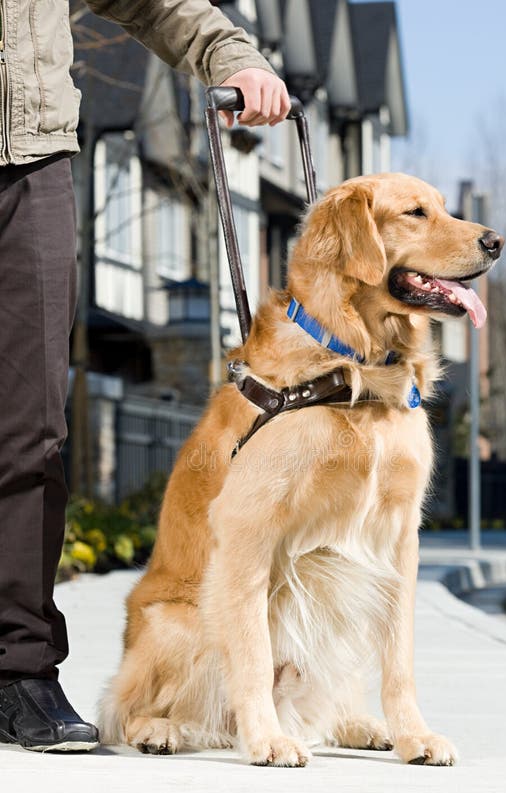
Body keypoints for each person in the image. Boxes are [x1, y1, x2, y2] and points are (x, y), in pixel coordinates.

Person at [0, 0, 290, 752]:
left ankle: (18, 674)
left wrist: (237, 59)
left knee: (31, 431)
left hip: (28, 163)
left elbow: (160, 3)